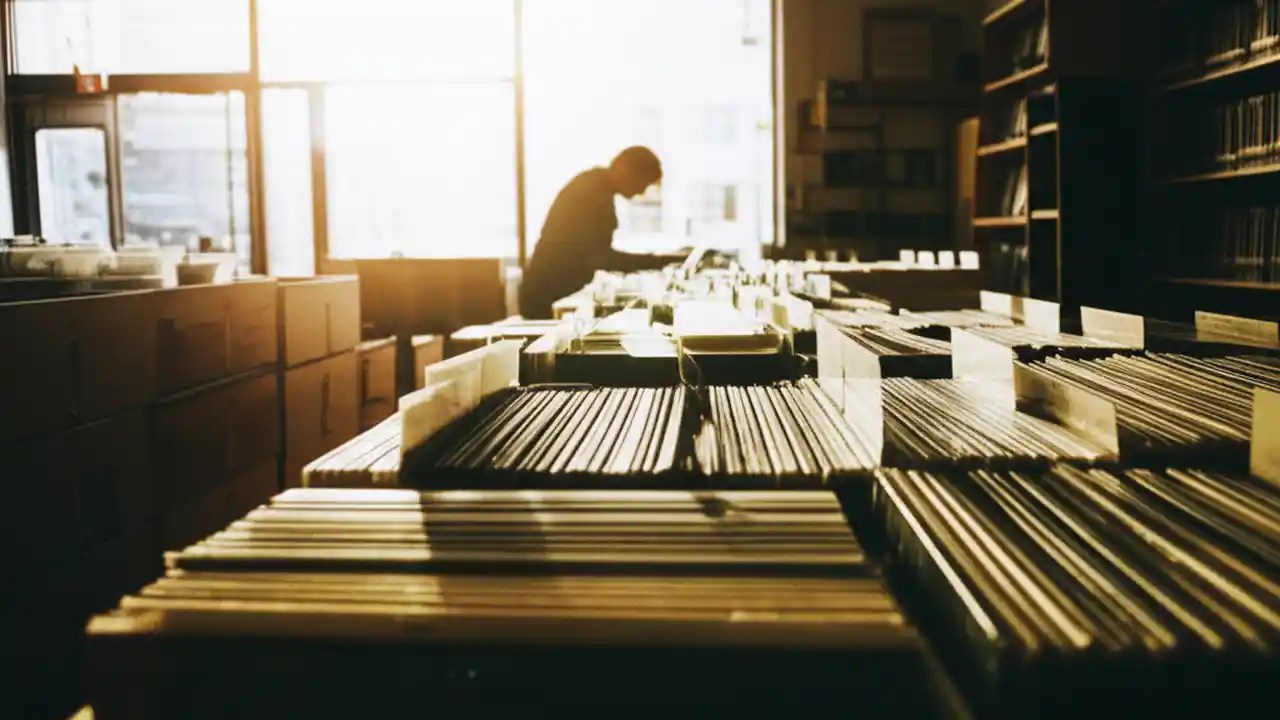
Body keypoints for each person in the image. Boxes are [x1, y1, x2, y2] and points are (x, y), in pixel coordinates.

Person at [520, 146, 680, 318]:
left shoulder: (595, 185)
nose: (641, 191)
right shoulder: (593, 192)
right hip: (548, 297)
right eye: (644, 182)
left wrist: (659, 260)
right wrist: (659, 261)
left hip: (551, 291)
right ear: (629, 172)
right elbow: (600, 258)